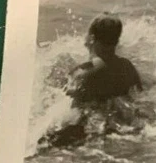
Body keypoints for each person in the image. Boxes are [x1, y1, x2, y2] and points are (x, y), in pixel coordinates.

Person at [40, 14, 145, 149]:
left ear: (91, 38)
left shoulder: (83, 73)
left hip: (88, 132)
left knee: (43, 144)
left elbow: (67, 111)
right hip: (120, 126)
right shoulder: (127, 67)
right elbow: (138, 96)